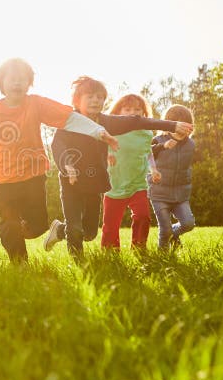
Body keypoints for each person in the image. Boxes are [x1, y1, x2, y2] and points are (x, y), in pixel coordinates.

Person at [0, 59, 118, 263]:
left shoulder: (36, 104)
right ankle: (19, 262)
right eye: (12, 79)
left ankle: (19, 231)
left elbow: (69, 118)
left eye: (22, 79)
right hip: (4, 178)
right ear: (2, 83)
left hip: (33, 176)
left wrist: (98, 131)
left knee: (37, 226)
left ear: (29, 83)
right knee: (10, 223)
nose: (17, 83)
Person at [43, 78, 192, 260]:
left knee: (89, 233)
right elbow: (57, 144)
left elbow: (137, 122)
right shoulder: (70, 121)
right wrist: (67, 165)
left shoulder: (106, 121)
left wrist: (171, 125)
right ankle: (80, 267)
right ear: (77, 100)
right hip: (71, 182)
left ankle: (59, 229)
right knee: (75, 229)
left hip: (94, 183)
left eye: (100, 97)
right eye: (90, 97)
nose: (96, 101)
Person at [100, 94, 167, 250]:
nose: (133, 113)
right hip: (114, 185)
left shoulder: (146, 133)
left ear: (144, 113)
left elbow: (147, 151)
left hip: (138, 184)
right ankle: (110, 254)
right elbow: (100, 147)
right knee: (111, 225)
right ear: (118, 112)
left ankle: (139, 248)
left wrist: (154, 169)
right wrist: (107, 155)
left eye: (137, 109)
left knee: (143, 216)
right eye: (127, 109)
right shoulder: (111, 130)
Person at [148, 104, 196, 251]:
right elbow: (145, 156)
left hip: (180, 193)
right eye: (178, 125)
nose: (182, 130)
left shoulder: (190, 144)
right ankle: (163, 258)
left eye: (186, 125)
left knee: (188, 223)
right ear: (169, 125)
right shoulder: (158, 140)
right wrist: (153, 172)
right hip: (159, 193)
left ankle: (174, 234)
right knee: (165, 229)